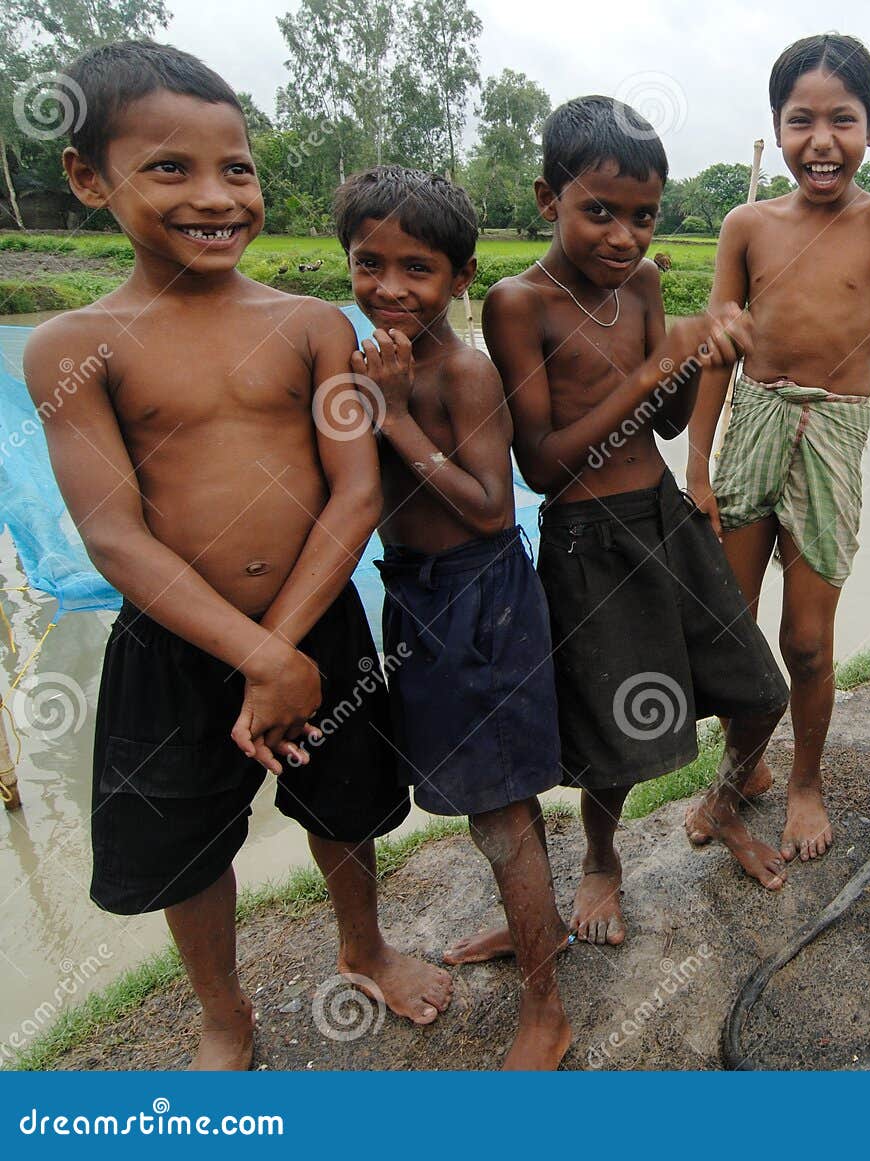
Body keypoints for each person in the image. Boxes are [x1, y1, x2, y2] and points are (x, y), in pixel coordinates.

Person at [24, 43, 451, 1070]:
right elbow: (114, 531)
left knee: (344, 805)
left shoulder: (311, 326)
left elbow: (354, 490)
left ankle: (364, 946)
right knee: (181, 843)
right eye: (170, 168)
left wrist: (287, 646)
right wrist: (256, 659)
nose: (217, 196)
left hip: (317, 625)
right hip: (174, 640)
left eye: (239, 168)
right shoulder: (76, 346)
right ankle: (224, 1009)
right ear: (89, 177)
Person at [443, 95, 790, 971]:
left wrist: (703, 358)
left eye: (643, 218)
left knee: (759, 687)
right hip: (587, 540)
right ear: (546, 197)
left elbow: (667, 421)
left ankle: (721, 806)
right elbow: (546, 467)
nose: (625, 238)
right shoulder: (518, 304)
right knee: (617, 732)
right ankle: (602, 857)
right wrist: (657, 365)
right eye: (599, 210)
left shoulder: (641, 286)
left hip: (664, 518)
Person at [684, 33, 870, 863]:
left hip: (835, 432)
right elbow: (716, 350)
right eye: (801, 120)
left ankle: (803, 780)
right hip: (752, 428)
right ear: (777, 131)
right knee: (734, 633)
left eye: (842, 119)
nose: (822, 141)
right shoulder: (746, 225)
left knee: (806, 639)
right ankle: (742, 774)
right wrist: (696, 465)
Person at [333, 165, 569, 1069]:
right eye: (368, 263)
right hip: (418, 594)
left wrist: (392, 417)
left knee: (498, 809)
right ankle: (531, 928)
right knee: (493, 794)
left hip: (481, 598)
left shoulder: (463, 372)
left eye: (417, 269)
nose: (389, 288)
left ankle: (548, 1007)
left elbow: (488, 506)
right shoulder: (369, 360)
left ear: (462, 276)